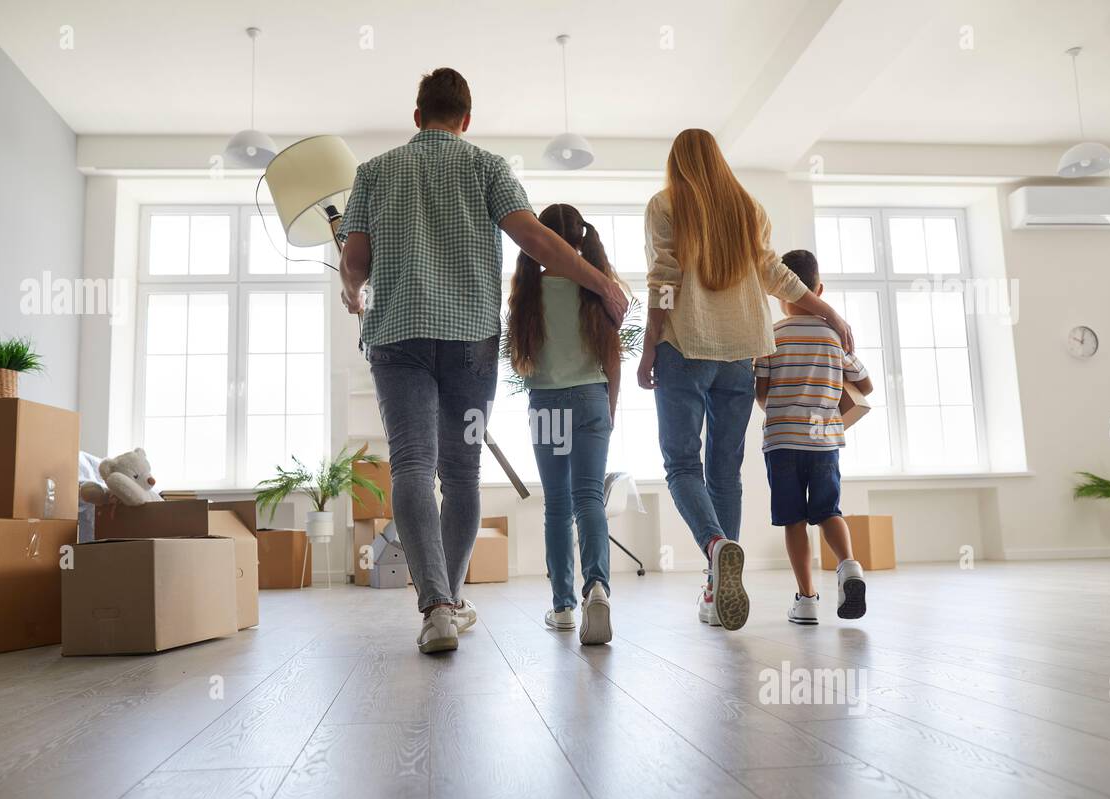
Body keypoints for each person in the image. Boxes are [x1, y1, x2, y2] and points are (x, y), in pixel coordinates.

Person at [339, 68, 628, 655]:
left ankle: (437, 607)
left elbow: (356, 260)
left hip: (397, 341)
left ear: (417, 116)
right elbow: (538, 241)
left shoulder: (373, 173)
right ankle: (452, 596)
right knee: (462, 473)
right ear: (466, 120)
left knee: (413, 465)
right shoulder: (488, 167)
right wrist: (602, 282)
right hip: (469, 343)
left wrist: (351, 290)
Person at [636, 128, 853, 631]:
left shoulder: (665, 205)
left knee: (681, 465)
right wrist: (829, 312)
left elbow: (663, 281)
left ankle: (715, 549)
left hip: (683, 348)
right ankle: (716, 591)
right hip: (739, 354)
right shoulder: (747, 207)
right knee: (724, 472)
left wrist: (650, 346)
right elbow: (776, 273)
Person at [505, 204, 623, 645]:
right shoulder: (598, 287)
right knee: (589, 497)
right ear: (579, 237)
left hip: (547, 404)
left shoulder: (528, 290)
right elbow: (612, 357)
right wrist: (608, 409)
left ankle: (562, 607)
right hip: (593, 396)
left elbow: (521, 361)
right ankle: (598, 588)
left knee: (556, 504)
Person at [755, 250, 872, 623]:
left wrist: (781, 408)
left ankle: (806, 600)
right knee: (827, 511)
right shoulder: (834, 335)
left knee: (793, 520)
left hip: (782, 441)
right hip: (824, 440)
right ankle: (849, 566)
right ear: (818, 289)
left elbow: (760, 391)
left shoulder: (770, 336)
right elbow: (865, 385)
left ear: (779, 294)